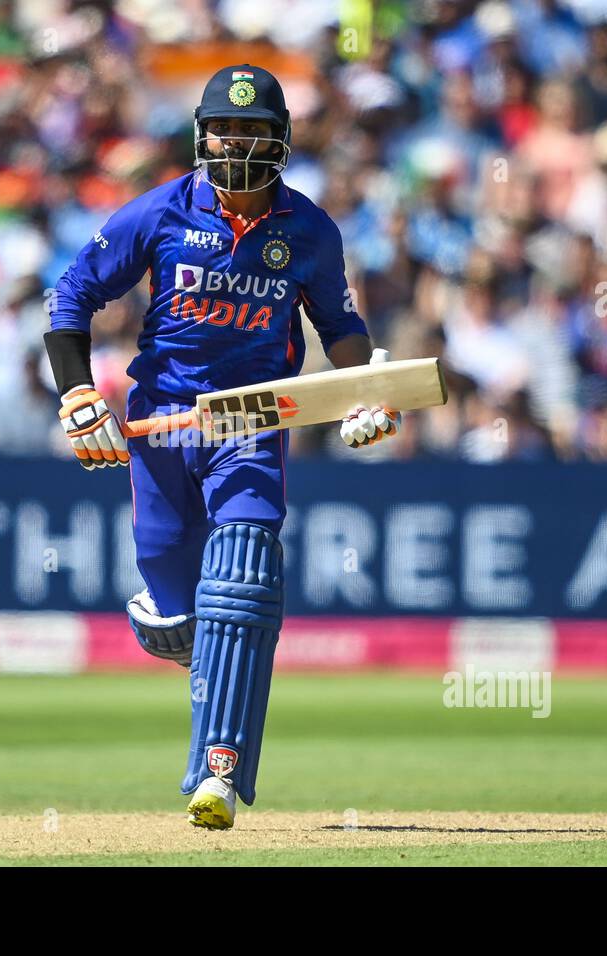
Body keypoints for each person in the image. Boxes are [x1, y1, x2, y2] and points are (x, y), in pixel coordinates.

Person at [44, 65, 400, 829]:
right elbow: (71, 294)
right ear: (202, 136)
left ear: (280, 141)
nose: (236, 141)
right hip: (164, 421)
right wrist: (79, 394)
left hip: (252, 422)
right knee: (177, 617)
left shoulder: (308, 230)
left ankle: (217, 776)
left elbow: (341, 329)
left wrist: (364, 391)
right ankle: (178, 630)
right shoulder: (162, 211)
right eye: (224, 129)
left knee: (241, 582)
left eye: (253, 130)